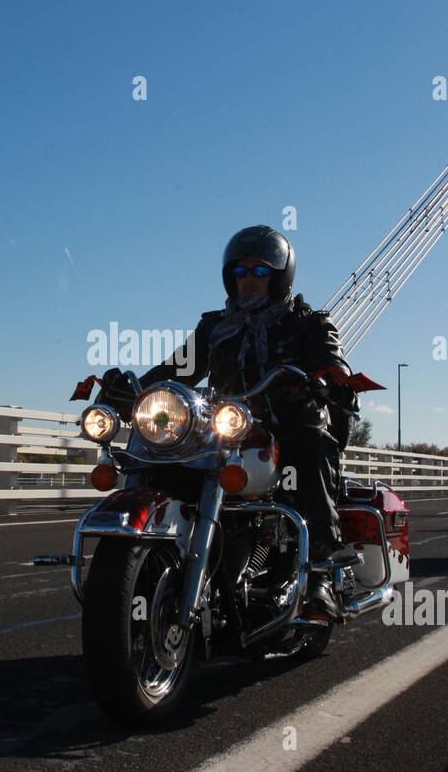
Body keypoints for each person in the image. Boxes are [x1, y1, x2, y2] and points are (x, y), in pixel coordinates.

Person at [100, 224, 359, 620]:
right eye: (241, 271)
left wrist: (331, 380)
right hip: (226, 430)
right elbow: (177, 370)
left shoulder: (308, 324)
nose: (249, 280)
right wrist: (135, 391)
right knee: (163, 450)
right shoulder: (215, 327)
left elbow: (331, 359)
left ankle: (322, 571)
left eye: (260, 271)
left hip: (286, 425)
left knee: (310, 441)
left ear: (279, 277)